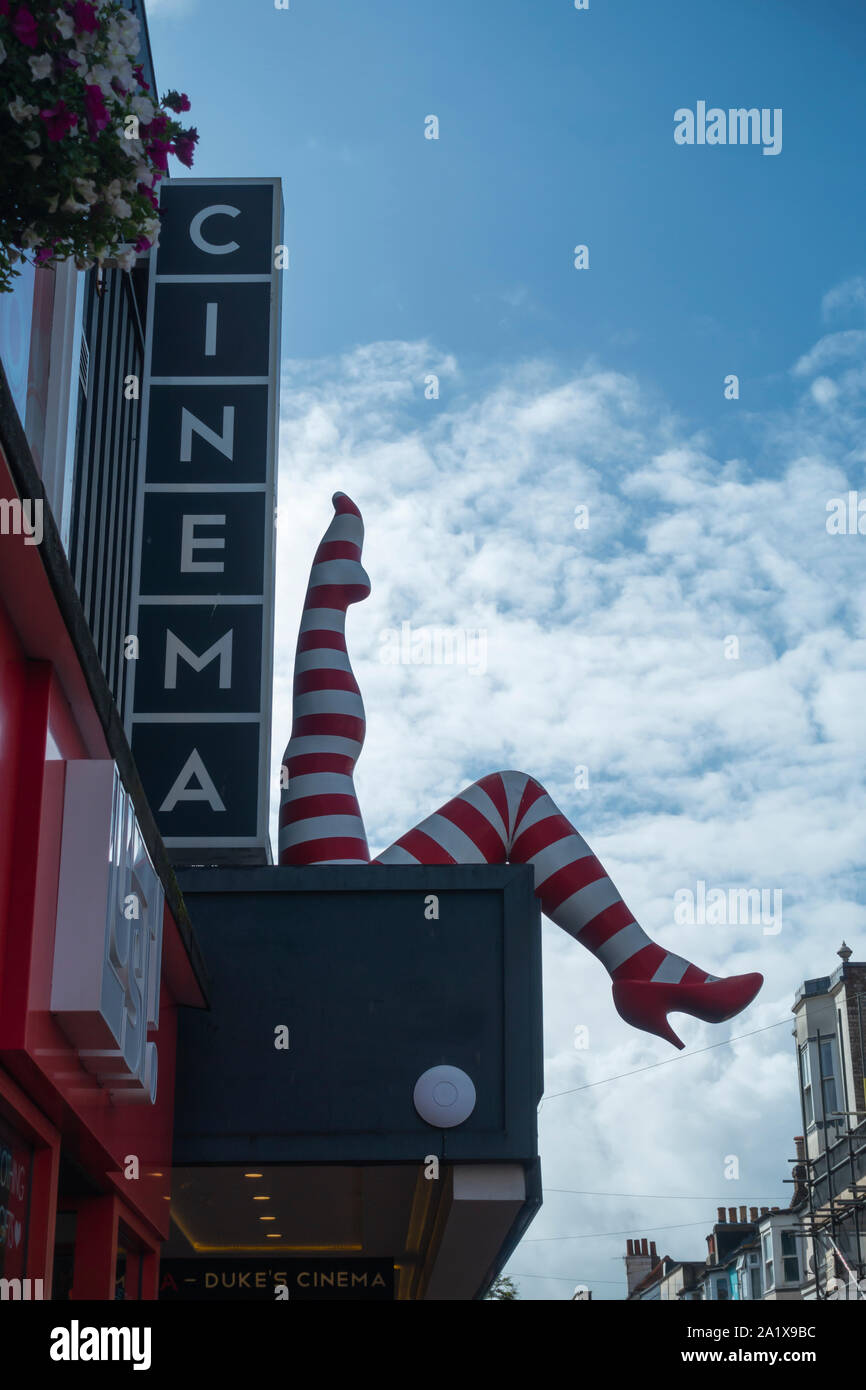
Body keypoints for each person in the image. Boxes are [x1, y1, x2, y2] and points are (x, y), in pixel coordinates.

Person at [280, 493, 763, 1048]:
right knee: (505, 799)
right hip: (346, 938)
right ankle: (641, 968)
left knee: (323, 755)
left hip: (337, 934)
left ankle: (642, 966)